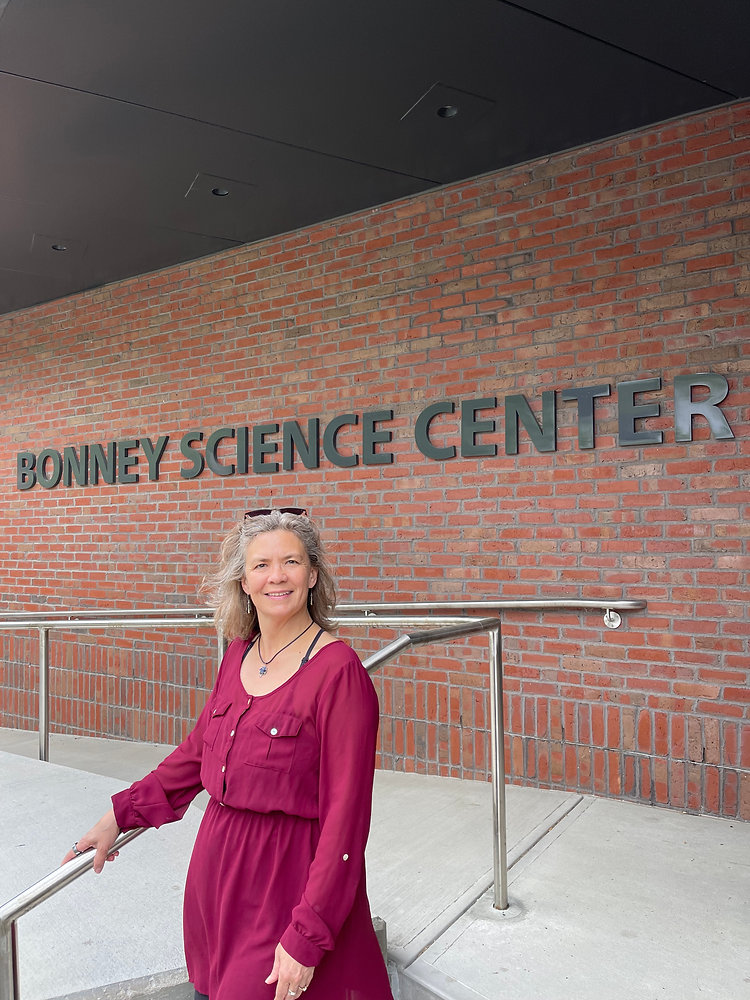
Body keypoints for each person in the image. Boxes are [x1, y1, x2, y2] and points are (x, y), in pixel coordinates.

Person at [63, 508, 393, 1000]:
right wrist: (121, 813)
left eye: (291, 562)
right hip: (218, 879)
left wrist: (307, 933)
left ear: (313, 575)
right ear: (243, 581)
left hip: (286, 880)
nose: (276, 576)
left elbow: (346, 821)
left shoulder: (339, 674)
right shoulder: (239, 653)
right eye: (261, 565)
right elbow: (198, 753)